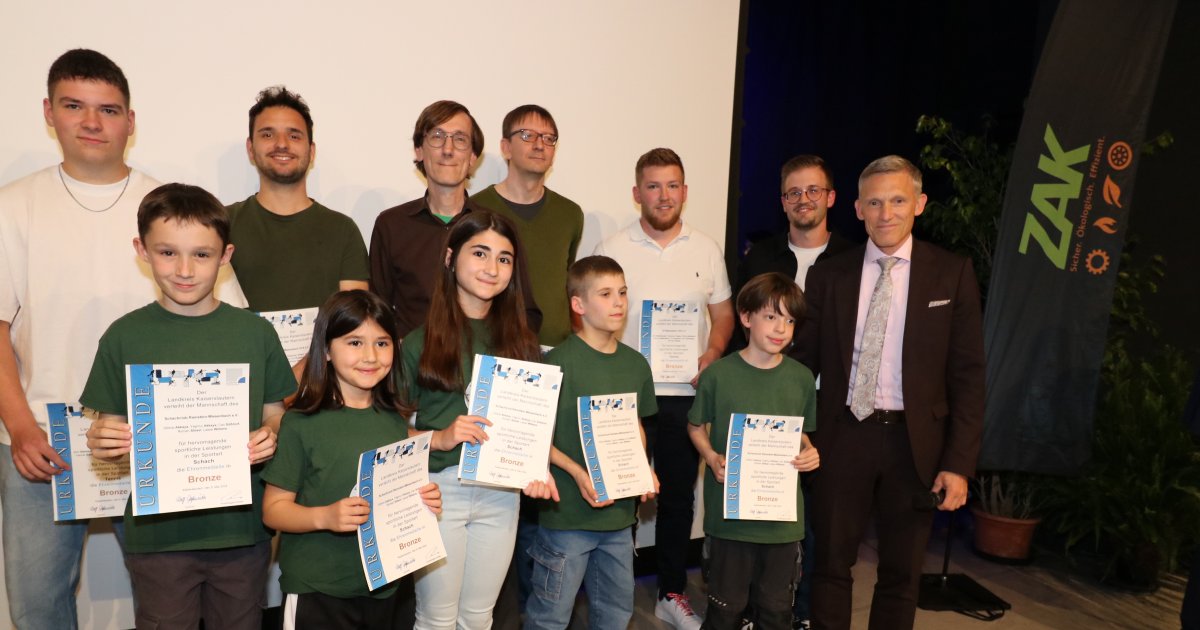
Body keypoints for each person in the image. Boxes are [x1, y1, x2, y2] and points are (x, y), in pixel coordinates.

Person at [0, 49, 240, 629]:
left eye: (108, 109)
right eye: (74, 105)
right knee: (37, 607)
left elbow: (228, 327)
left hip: (156, 442)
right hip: (42, 440)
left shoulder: (170, 207)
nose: (91, 121)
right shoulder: (13, 206)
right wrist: (20, 426)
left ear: (130, 120)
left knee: (171, 605)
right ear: (48, 113)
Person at [81, 183, 296, 630]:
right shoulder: (124, 335)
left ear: (225, 255)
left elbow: (276, 414)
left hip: (242, 531)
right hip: (158, 538)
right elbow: (107, 430)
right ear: (142, 250)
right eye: (167, 252)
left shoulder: (254, 334)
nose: (184, 269)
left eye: (201, 254)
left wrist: (270, 435)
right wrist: (103, 439)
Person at [795, 156, 984, 630]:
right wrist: (791, 431)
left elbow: (968, 376)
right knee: (831, 567)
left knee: (901, 575)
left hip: (916, 445)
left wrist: (958, 464)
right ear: (857, 208)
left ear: (918, 203)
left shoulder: (952, 273)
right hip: (841, 438)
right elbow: (802, 366)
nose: (886, 214)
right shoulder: (828, 274)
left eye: (898, 200)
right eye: (875, 202)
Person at [594, 148, 735, 630]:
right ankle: (609, 593)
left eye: (672, 185)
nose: (664, 195)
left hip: (684, 395)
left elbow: (723, 314)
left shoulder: (706, 248)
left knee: (677, 498)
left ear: (685, 192)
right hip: (626, 396)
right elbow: (591, 317)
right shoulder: (612, 247)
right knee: (620, 494)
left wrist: (713, 353)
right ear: (637, 194)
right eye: (653, 186)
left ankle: (671, 592)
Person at [400, 210, 557, 629]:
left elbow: (533, 427)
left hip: (502, 494)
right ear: (451, 258)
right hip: (439, 492)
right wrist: (440, 437)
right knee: (436, 618)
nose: (492, 268)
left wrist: (536, 468)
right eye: (481, 253)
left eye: (504, 259)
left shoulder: (522, 343)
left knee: (478, 617)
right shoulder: (418, 342)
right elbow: (386, 430)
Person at [261, 290, 442, 629]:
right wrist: (325, 516)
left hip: (386, 588)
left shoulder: (392, 420)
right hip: (318, 591)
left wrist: (424, 499)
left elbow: (397, 494)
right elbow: (273, 509)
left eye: (383, 343)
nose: (371, 356)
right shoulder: (300, 423)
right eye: (354, 342)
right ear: (327, 350)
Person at [736, 154, 853, 628]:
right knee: (758, 508)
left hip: (825, 404)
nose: (803, 200)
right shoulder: (760, 256)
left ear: (831, 197)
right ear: (782, 202)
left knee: (816, 514)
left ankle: (801, 612)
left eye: (812, 191)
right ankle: (748, 608)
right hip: (762, 397)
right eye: (792, 193)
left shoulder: (853, 257)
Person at [524, 255, 659, 630]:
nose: (618, 302)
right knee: (550, 616)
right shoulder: (555, 364)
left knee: (616, 614)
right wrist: (577, 472)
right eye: (605, 293)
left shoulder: (635, 365)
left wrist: (642, 468)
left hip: (619, 520)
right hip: (566, 519)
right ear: (578, 304)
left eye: (622, 292)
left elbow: (635, 425)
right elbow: (536, 439)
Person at [688, 272, 821, 630]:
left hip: (782, 523)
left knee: (778, 611)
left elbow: (802, 436)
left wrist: (811, 453)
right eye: (771, 316)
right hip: (730, 519)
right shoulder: (718, 376)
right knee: (725, 609)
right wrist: (711, 456)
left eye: (790, 320)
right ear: (746, 317)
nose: (781, 328)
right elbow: (695, 426)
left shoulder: (801, 379)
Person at [370, 100, 540, 338]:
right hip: (412, 367)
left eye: (460, 139)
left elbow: (525, 313)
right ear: (419, 150)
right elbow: (377, 310)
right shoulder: (391, 225)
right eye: (437, 137)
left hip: (482, 366)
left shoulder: (499, 229)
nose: (448, 150)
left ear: (472, 156)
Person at [472, 104, 583, 347]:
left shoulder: (570, 214)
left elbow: (566, 285)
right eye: (527, 135)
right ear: (506, 147)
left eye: (548, 138)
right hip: (493, 349)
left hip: (556, 351)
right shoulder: (475, 209)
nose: (539, 144)